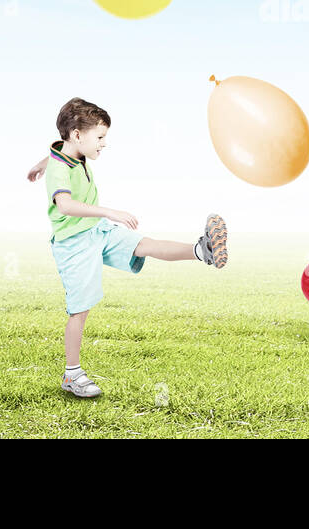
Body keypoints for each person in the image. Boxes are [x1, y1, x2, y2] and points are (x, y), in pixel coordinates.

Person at [27, 98, 228, 398]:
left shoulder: (69, 150)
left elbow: (56, 152)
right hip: (74, 245)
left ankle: (202, 250)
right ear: (78, 135)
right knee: (80, 310)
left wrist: (38, 164)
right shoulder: (61, 167)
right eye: (100, 137)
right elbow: (65, 204)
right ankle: (71, 375)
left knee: (143, 245)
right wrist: (109, 211)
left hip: (97, 232)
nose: (104, 143)